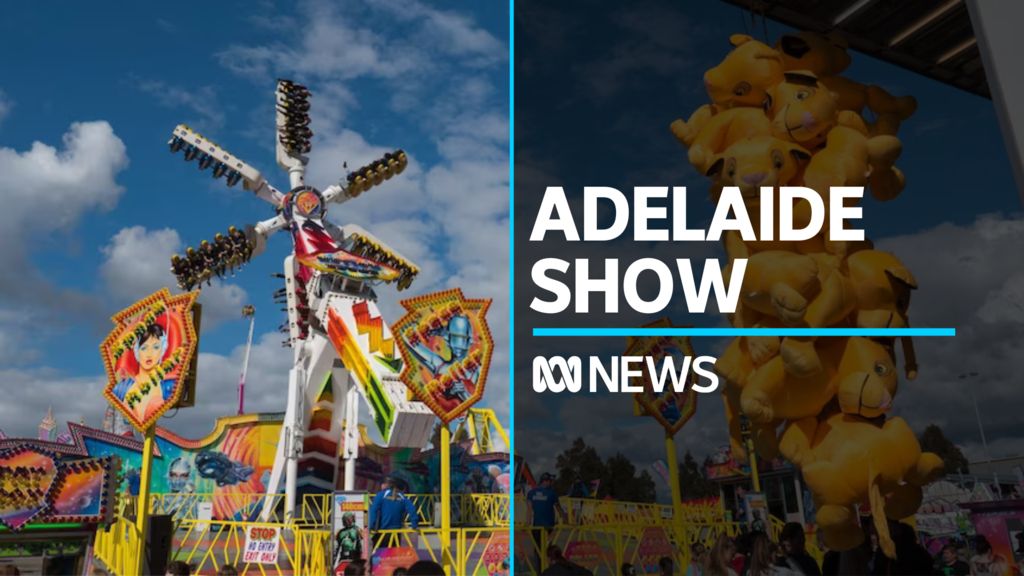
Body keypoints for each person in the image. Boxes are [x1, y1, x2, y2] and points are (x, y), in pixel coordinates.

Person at [112, 322, 177, 423]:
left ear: (163, 349)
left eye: (155, 347)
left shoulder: (170, 386)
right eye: (144, 348)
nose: (149, 353)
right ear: (137, 351)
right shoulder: (121, 388)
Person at [369, 475, 418, 547]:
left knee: (379, 555)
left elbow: (373, 511)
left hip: (383, 532)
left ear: (385, 485)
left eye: (382, 483)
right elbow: (412, 509)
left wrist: (371, 526)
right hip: (397, 532)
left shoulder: (381, 495)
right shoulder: (402, 496)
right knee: (393, 553)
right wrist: (414, 524)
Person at [528, 472, 568, 558]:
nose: (551, 483)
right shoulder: (552, 493)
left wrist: (527, 524)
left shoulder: (531, 493)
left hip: (536, 525)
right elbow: (559, 508)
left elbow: (529, 510)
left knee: (538, 548)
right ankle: (548, 563)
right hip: (549, 525)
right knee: (549, 546)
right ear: (546, 481)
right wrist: (565, 519)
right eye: (550, 481)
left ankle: (539, 566)